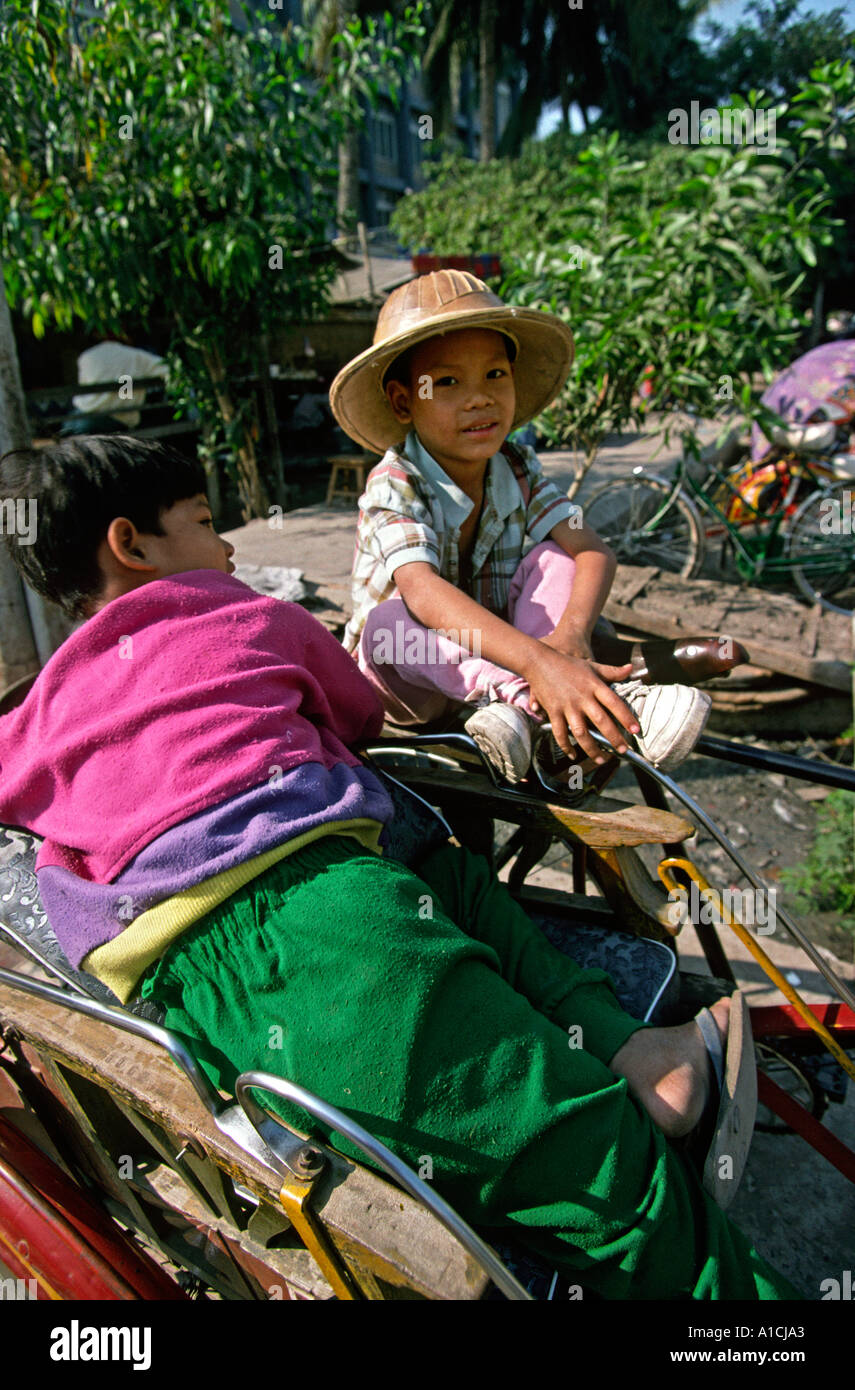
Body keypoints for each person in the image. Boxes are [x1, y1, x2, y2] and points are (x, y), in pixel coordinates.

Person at [0, 436, 796, 1299]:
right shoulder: (242, 613)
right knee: (611, 1184)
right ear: (132, 543)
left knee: (446, 880)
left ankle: (633, 1046)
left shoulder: (42, 706)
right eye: (202, 522)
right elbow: (356, 715)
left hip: (188, 1005)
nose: (226, 546)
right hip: (329, 928)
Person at [331, 271, 732, 784]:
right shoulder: (395, 483)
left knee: (553, 559)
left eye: (495, 375)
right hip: (411, 686)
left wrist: (568, 638)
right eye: (448, 382)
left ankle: (560, 696)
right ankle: (534, 703)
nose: (480, 398)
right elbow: (424, 593)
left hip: (513, 654)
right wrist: (538, 666)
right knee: (388, 623)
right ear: (404, 400)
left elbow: (593, 551)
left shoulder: (516, 467)